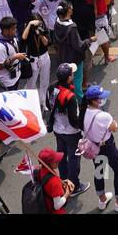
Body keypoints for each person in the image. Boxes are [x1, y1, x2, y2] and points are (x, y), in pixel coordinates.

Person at [82, 84, 118, 212]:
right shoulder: (103, 116)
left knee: (100, 172)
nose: (102, 100)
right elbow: (114, 128)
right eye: (100, 98)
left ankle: (102, 200)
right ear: (95, 100)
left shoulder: (84, 112)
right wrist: (115, 123)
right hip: (108, 147)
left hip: (95, 147)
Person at [47, 63, 89, 197]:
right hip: (71, 133)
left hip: (58, 130)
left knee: (62, 157)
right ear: (69, 78)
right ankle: (74, 186)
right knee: (74, 160)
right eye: (72, 73)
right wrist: (83, 123)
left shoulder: (52, 88)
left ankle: (64, 183)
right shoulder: (70, 97)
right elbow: (74, 121)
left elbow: (49, 105)